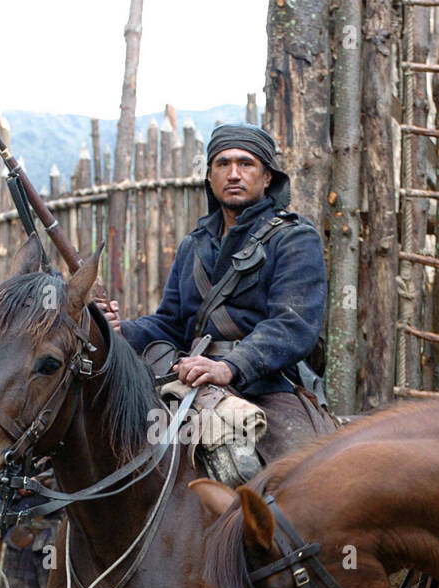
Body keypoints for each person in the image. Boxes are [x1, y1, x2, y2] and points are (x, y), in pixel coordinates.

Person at [106, 122, 333, 459]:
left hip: (266, 386)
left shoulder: (294, 238)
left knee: (299, 472)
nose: (234, 174)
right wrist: (120, 331)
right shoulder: (193, 245)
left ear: (267, 177)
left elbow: (291, 326)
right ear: (210, 177)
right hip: (189, 381)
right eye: (223, 164)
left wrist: (230, 367)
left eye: (246, 164)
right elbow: (171, 323)